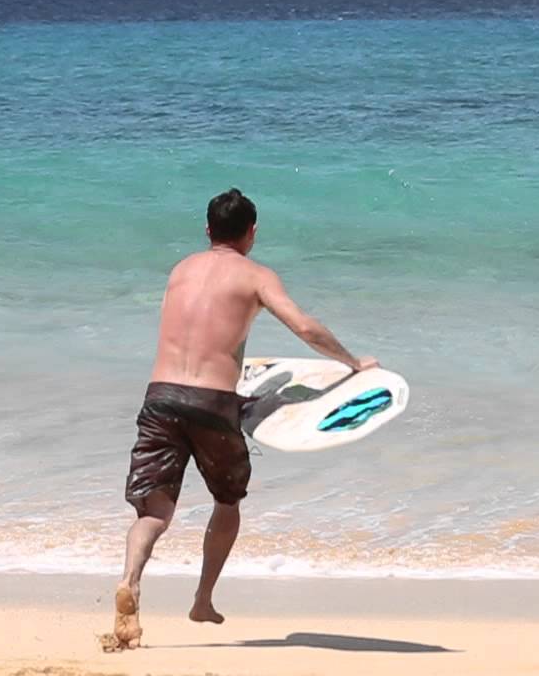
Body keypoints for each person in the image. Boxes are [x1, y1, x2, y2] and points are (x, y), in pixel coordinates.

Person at [112, 188, 377, 649]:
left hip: (160, 396)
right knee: (227, 500)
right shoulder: (255, 276)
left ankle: (131, 580)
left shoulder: (181, 271)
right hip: (214, 404)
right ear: (252, 232)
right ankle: (202, 599)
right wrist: (354, 364)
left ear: (207, 229)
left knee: (154, 512)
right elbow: (305, 327)